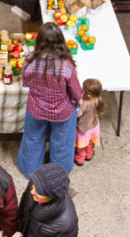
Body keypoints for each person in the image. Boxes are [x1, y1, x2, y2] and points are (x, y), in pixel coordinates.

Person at [17, 23, 84, 177]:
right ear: (60, 41)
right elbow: (74, 90)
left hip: (36, 109)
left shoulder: (29, 60)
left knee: (33, 138)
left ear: (39, 40)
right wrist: (79, 100)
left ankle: (30, 169)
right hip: (61, 111)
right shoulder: (66, 66)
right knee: (62, 141)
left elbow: (26, 82)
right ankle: (59, 172)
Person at [75, 79, 105, 166]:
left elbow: (78, 114)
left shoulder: (86, 103)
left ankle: (80, 159)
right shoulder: (99, 99)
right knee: (90, 143)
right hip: (94, 126)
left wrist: (79, 104)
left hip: (84, 128)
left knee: (81, 145)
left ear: (88, 95)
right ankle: (89, 154)